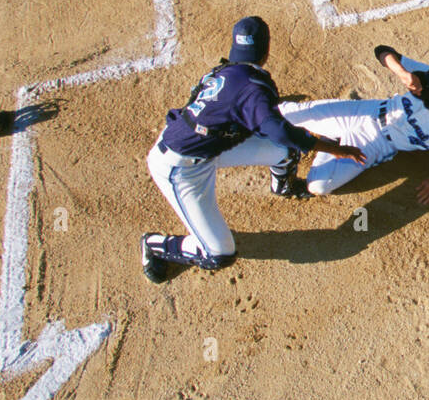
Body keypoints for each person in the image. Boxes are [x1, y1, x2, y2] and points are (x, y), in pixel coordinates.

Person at [141, 16, 367, 283]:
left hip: (205, 146)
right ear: (266, 51)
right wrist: (331, 148)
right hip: (180, 169)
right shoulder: (256, 88)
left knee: (285, 151)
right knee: (218, 254)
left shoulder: (222, 72)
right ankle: (154, 245)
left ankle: (282, 185)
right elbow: (279, 130)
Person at [276, 44, 429, 205]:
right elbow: (382, 51)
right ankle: (327, 136)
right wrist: (401, 71)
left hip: (376, 144)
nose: (417, 86)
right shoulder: (428, 75)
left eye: (421, 89)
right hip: (364, 111)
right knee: (281, 114)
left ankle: (330, 141)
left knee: (317, 186)